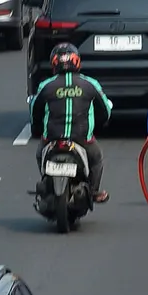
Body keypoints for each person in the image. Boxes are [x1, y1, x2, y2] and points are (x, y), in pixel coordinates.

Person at [30, 43, 112, 204]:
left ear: (54, 62)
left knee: (40, 154)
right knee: (97, 158)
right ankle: (94, 191)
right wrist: (101, 124)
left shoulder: (45, 85)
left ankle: (47, 180)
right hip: (82, 139)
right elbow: (105, 111)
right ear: (77, 61)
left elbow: (35, 112)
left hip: (52, 139)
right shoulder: (90, 84)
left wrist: (39, 129)